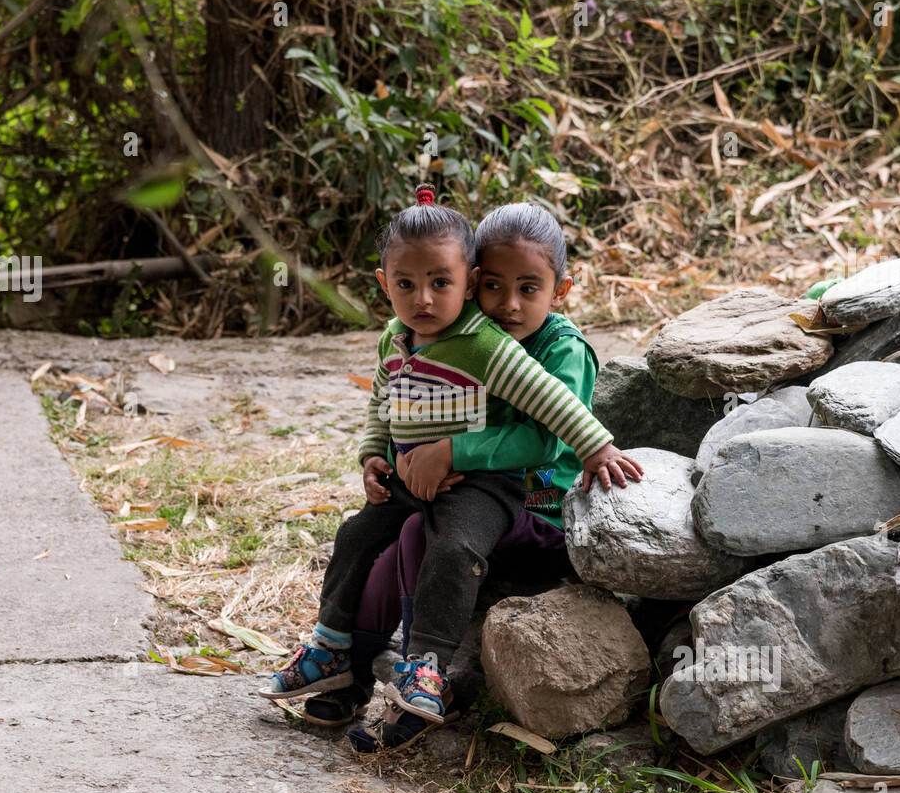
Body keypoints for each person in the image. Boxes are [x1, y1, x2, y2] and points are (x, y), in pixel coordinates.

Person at [258, 184, 642, 737]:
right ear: (474, 279)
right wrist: (379, 455)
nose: (508, 304)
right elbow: (392, 399)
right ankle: (345, 666)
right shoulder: (431, 335)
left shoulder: (524, 346)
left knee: (420, 535)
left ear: (560, 289)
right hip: (456, 488)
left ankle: (424, 679)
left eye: (528, 288)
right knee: (366, 534)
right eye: (492, 286)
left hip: (533, 507)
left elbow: (549, 429)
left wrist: (592, 446)